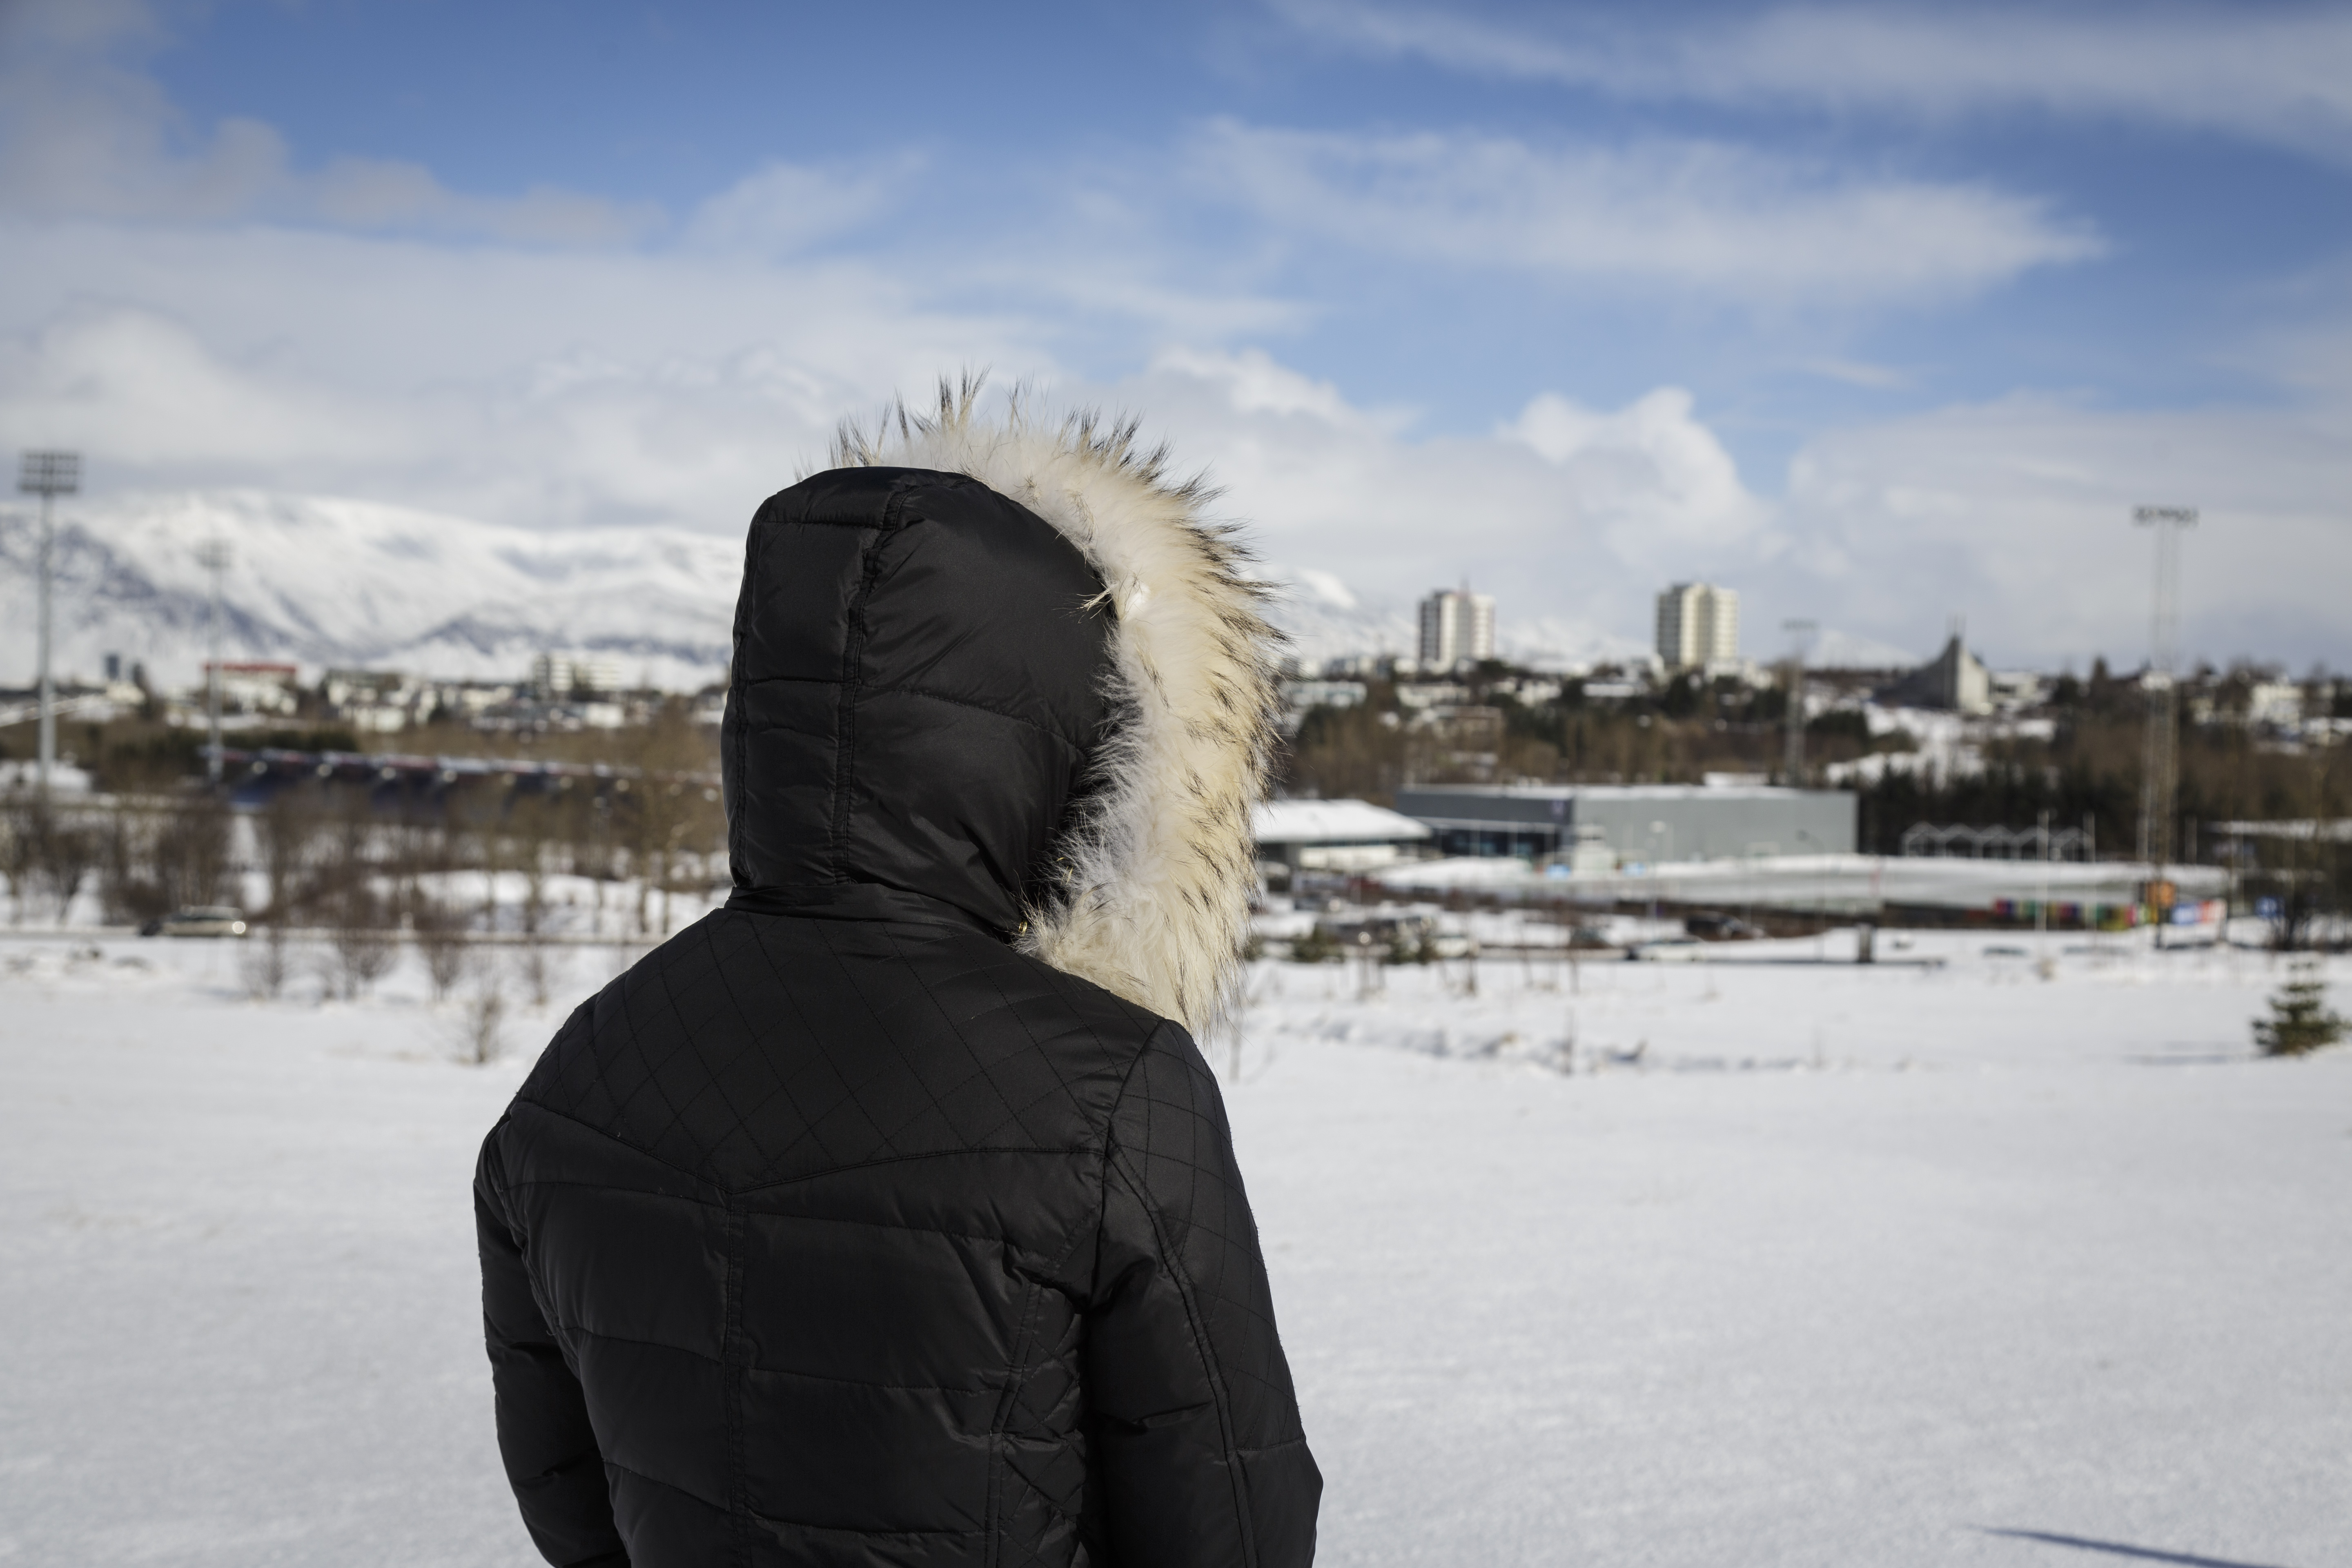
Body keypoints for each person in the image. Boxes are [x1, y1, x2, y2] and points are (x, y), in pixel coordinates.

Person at [474, 383, 1321, 1567]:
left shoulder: (587, 1063)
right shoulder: (1113, 1091)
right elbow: (1232, 1516)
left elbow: (568, 1491)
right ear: (1081, 742)